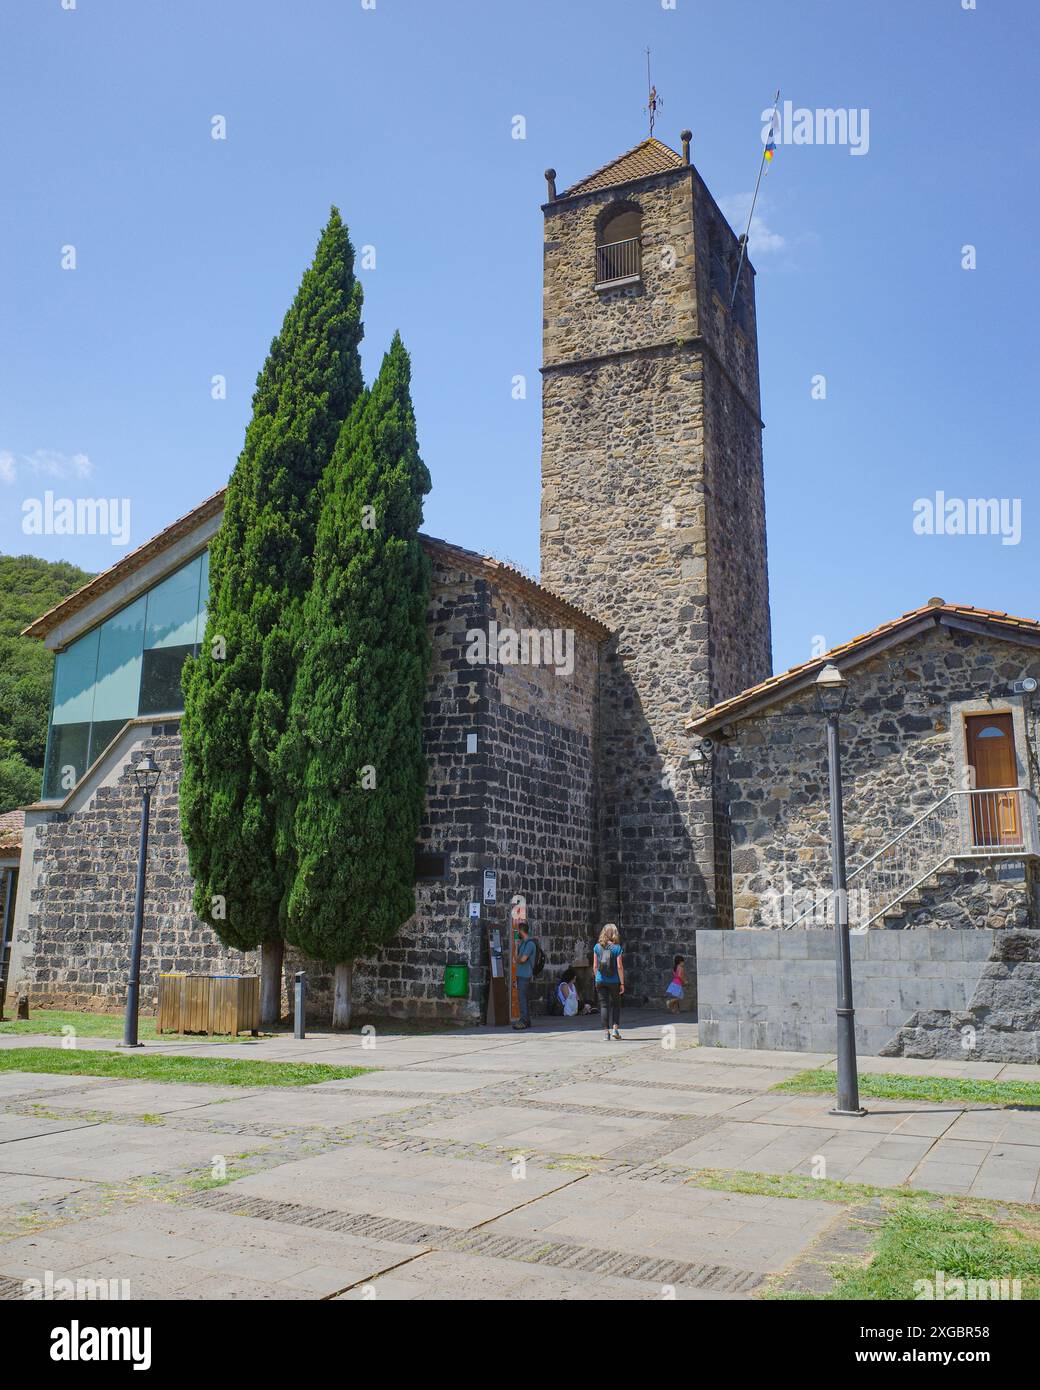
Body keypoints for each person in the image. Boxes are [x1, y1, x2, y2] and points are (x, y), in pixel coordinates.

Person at [593, 923, 624, 1040]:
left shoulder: (597, 947)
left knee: (604, 1005)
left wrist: (598, 978)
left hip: (600, 980)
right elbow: (620, 966)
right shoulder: (617, 948)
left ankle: (606, 1033)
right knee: (616, 1004)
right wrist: (622, 983)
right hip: (614, 981)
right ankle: (615, 1029)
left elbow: (595, 966)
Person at [514, 923, 538, 1030]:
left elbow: (522, 959)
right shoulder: (523, 944)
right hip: (521, 974)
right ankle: (526, 1020)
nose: (517, 933)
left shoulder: (530, 944)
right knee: (522, 998)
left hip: (526, 975)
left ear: (521, 930)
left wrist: (518, 960)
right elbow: (516, 959)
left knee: (522, 998)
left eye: (518, 930)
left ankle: (524, 1020)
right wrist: (516, 946)